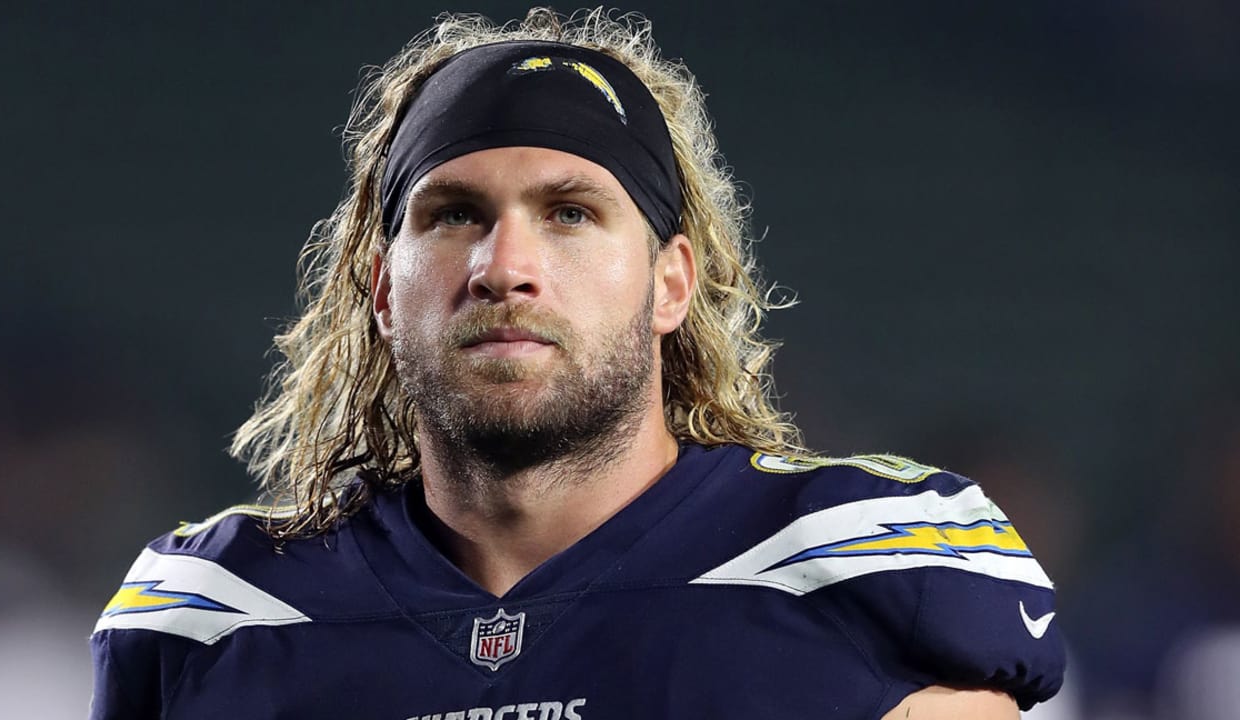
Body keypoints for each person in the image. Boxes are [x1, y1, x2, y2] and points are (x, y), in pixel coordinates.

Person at [90, 8, 1065, 719]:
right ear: (382, 291)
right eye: (452, 215)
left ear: (671, 283)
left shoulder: (869, 557)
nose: (503, 268)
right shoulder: (215, 610)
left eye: (569, 213)